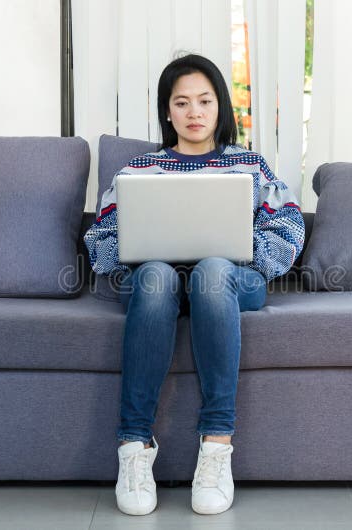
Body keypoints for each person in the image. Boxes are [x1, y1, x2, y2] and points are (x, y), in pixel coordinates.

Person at [83, 53, 305, 516]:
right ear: (167, 111)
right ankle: (134, 449)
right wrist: (135, 261)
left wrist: (252, 258)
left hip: (230, 281)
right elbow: (101, 235)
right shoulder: (137, 170)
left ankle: (217, 446)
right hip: (155, 286)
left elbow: (288, 224)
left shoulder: (249, 164)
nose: (195, 112)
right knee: (158, 276)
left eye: (204, 101)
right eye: (182, 103)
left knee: (211, 271)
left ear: (219, 106)